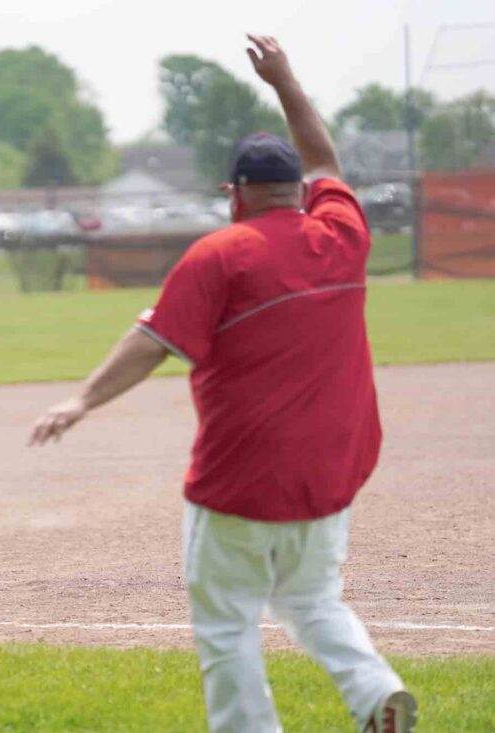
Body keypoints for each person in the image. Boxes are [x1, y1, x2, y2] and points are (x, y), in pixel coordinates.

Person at [29, 36, 416, 733]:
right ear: (300, 191)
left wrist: (81, 399)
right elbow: (326, 157)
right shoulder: (344, 232)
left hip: (241, 479)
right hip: (331, 471)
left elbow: (152, 343)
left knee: (227, 623)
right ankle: (375, 692)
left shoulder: (221, 253)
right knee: (316, 600)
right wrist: (286, 79)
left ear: (235, 194)